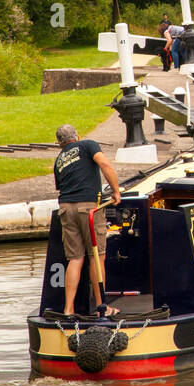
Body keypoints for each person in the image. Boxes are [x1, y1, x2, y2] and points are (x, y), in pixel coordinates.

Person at [53, 124, 122, 317]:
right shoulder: (87, 145)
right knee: (96, 256)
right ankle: (102, 307)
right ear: (77, 136)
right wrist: (115, 191)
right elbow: (104, 164)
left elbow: (63, 185)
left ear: (59, 144)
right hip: (88, 208)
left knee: (75, 259)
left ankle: (68, 309)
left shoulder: (59, 160)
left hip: (66, 208)